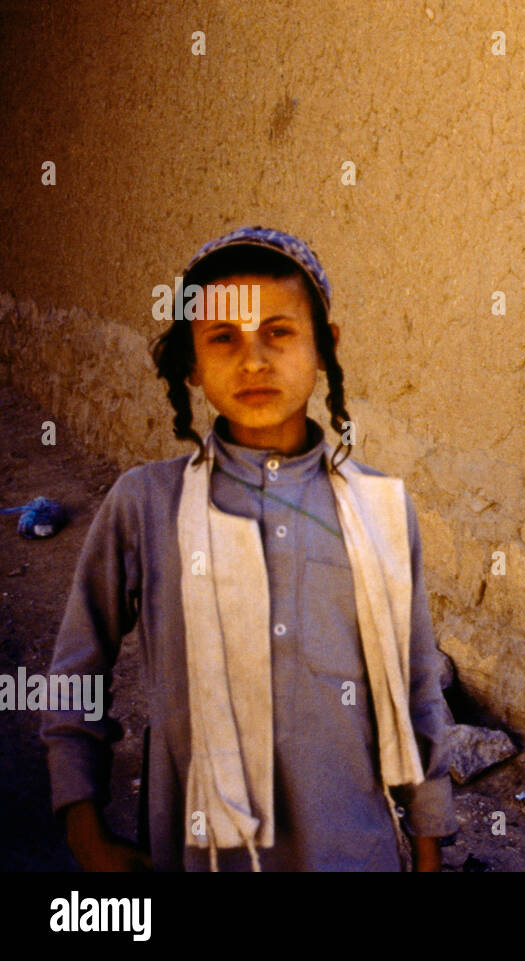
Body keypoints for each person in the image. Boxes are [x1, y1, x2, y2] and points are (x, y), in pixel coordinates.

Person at [41, 227, 458, 871]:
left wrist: (428, 847)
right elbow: (74, 672)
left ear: (324, 345)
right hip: (204, 854)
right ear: (191, 361)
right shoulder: (146, 505)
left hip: (355, 851)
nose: (254, 360)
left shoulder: (378, 506)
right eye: (223, 339)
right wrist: (84, 830)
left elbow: (416, 686)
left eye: (279, 332)